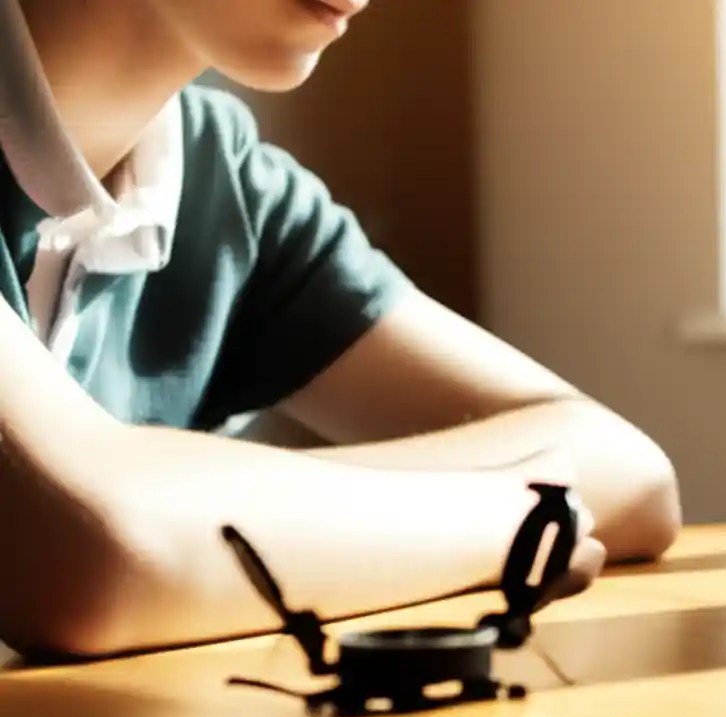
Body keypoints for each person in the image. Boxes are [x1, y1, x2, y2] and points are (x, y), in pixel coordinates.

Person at [0, 0, 680, 657]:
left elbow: (632, 477)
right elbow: (87, 554)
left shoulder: (224, 182)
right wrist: (505, 519)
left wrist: (211, 510)